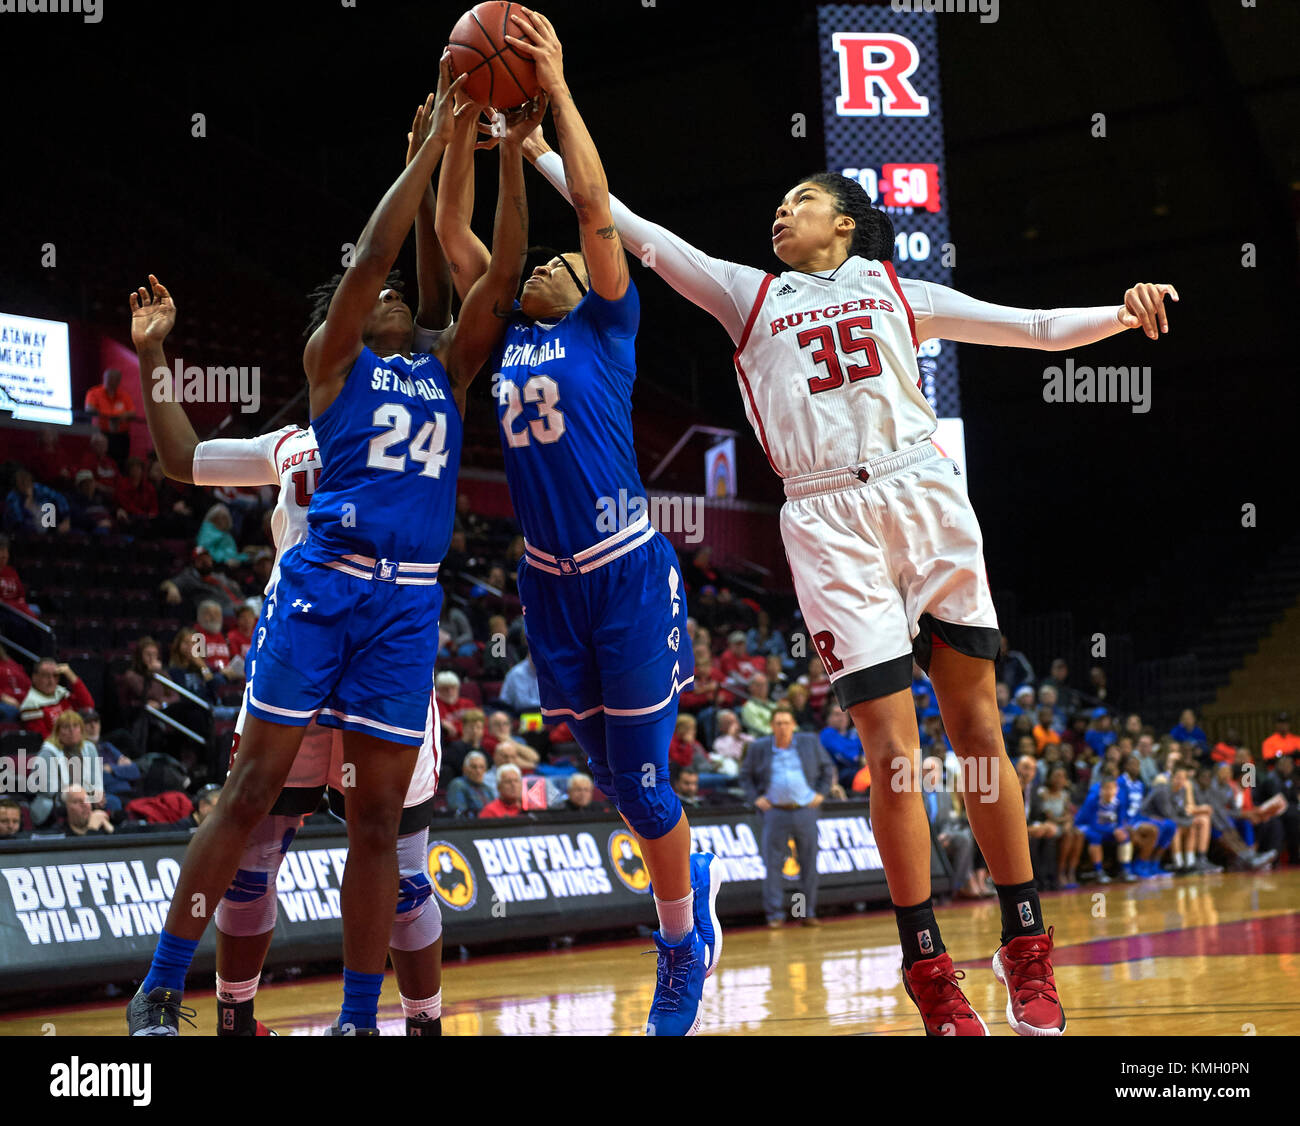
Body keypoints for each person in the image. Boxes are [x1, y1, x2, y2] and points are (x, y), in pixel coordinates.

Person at [522, 47, 1175, 1030]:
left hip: (922, 495)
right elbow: (631, 229)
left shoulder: (901, 289)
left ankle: (1025, 944)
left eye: (799, 202)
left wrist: (1117, 316)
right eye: (778, 205)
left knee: (979, 736)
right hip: (826, 516)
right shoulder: (748, 295)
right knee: (888, 744)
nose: (779, 215)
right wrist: (539, 142)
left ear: (844, 222)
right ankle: (929, 971)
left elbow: (1033, 328)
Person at [124, 58, 526, 1037]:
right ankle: (176, 993)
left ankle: (376, 1016)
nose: (391, 298)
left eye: (400, 299)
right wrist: (155, 357)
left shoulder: (442, 372)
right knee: (253, 805)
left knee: (389, 839)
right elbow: (179, 457)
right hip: (316, 598)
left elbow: (483, 278)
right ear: (337, 332)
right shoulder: (316, 397)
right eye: (373, 298)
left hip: (401, 608)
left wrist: (496, 157)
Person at [439, 10, 719, 1036]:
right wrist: (452, 141)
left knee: (646, 791)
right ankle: (686, 910)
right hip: (548, 583)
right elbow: (452, 237)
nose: (548, 263)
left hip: (627, 572)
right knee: (611, 781)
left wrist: (551, 94)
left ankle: (684, 944)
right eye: (542, 261)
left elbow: (595, 204)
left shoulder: (609, 319)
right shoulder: (508, 327)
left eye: (562, 259)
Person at [742, 704, 833, 929]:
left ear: (794, 725)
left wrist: (821, 794)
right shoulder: (760, 747)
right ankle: (775, 915)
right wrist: (756, 798)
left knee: (807, 864)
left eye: (786, 722)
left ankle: (804, 912)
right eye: (778, 723)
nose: (783, 727)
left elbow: (827, 768)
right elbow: (745, 776)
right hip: (775, 812)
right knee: (773, 865)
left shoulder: (809, 742)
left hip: (805, 810)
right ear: (771, 726)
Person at [1073, 777, 1135, 884]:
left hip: (1107, 829)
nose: (1109, 792)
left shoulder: (1119, 802)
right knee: (1095, 836)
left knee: (1124, 836)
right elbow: (1093, 824)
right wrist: (1113, 830)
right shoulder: (1093, 800)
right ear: (1101, 789)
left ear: (1117, 790)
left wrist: (1119, 829)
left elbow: (1121, 821)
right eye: (1106, 789)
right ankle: (1099, 871)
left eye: (1112, 788)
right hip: (1085, 825)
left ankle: (1126, 870)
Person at [159, 546, 243, 620]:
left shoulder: (218, 576)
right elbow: (166, 584)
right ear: (194, 563)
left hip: (236, 605)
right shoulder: (189, 576)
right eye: (201, 560)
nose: (205, 562)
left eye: (207, 558)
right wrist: (172, 588)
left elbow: (236, 590)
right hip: (217, 612)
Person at [20, 659, 94, 739]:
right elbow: (43, 739)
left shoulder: (61, 693)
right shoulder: (31, 704)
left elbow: (88, 706)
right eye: (46, 676)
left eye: (55, 676)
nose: (51, 681)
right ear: (34, 677)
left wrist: (70, 675)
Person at [84, 367, 138, 466]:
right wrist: (111, 416)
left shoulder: (124, 395)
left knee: (121, 464)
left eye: (115, 379)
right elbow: (89, 409)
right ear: (105, 378)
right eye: (110, 378)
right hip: (101, 435)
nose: (112, 381)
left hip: (121, 437)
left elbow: (132, 413)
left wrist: (123, 415)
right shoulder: (94, 393)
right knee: (101, 462)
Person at [4, 467, 69, 535]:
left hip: (47, 528)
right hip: (23, 532)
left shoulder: (39, 488)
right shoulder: (13, 498)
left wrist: (66, 519)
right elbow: (19, 521)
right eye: (22, 483)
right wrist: (28, 502)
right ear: (16, 485)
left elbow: (59, 498)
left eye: (27, 481)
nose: (25, 485)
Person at [447, 750, 493, 816]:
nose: (478, 771)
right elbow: (459, 814)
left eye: (481, 767)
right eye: (474, 767)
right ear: (464, 769)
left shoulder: (487, 789)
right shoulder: (458, 785)